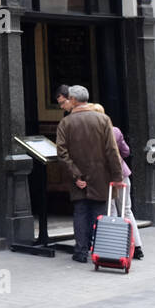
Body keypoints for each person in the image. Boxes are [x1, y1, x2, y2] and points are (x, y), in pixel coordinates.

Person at [55, 85, 124, 263]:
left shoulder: (66, 123)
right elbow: (112, 151)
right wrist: (117, 177)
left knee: (80, 213)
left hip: (79, 179)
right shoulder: (103, 119)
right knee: (99, 214)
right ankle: (100, 251)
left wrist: (76, 176)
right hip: (101, 176)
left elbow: (62, 153)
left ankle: (80, 252)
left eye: (69, 99)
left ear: (74, 100)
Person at [88, 104, 144, 260]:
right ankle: (137, 247)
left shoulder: (91, 135)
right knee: (126, 210)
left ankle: (113, 248)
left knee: (110, 211)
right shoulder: (116, 131)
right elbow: (126, 151)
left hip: (104, 177)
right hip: (121, 174)